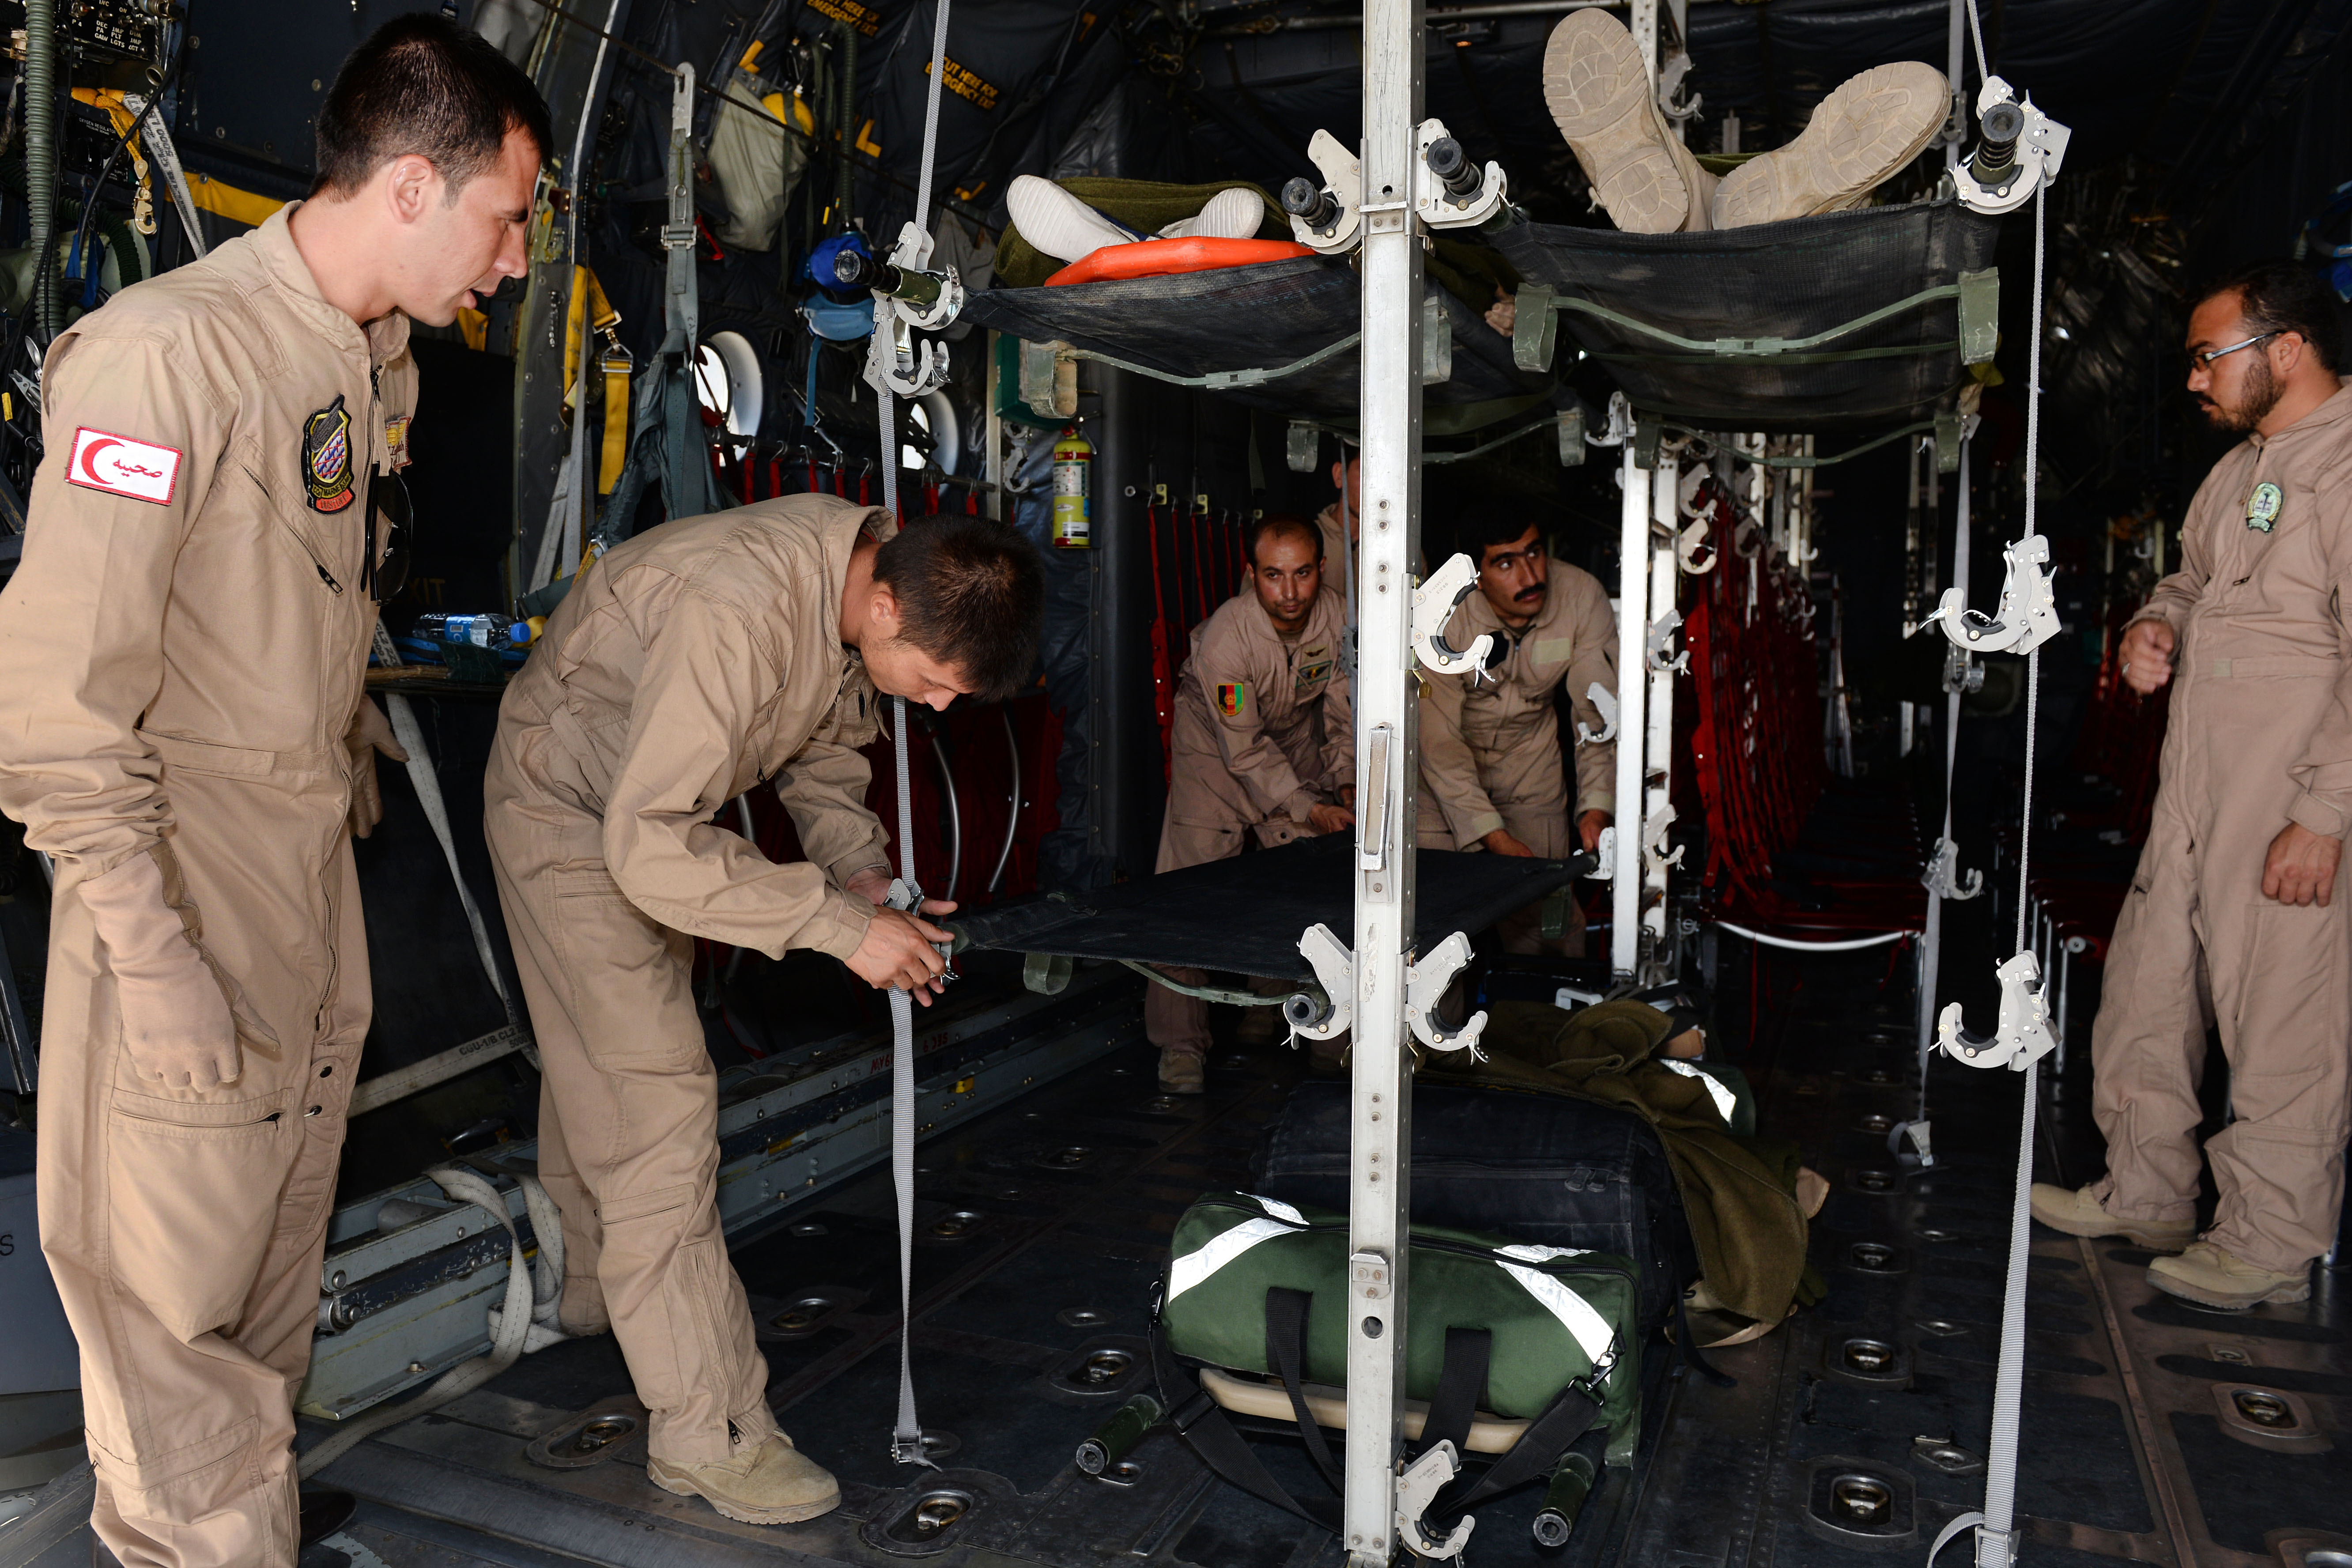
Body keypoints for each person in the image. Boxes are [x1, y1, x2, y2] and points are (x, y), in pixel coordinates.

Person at [0, 18, 542, 1564]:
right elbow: (54, 708)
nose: (515, 260)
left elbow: (285, 589)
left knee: (266, 1262)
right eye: (507, 219)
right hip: (183, 890)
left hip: (300, 873)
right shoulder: (168, 358)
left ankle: (250, 1520)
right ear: (414, 187)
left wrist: (339, 731)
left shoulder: (364, 359)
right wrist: (152, 956)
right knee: (171, 1309)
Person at [482, 497, 1042, 1526]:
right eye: (935, 681)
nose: (938, 706)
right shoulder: (737, 606)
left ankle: (593, 1294)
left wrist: (861, 876)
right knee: (657, 1109)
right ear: (885, 606)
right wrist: (838, 926)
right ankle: (710, 1433)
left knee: (605, 1056)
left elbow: (821, 749)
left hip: (642, 819)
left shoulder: (856, 579)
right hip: (574, 819)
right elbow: (646, 845)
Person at [2030, 261, 2352, 1309]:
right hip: (2194, 788)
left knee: (2285, 1018)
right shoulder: (2237, 472)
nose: (2194, 380)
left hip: (2287, 796)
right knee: (2150, 987)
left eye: (2209, 357)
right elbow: (2189, 581)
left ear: (2286, 350)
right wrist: (2155, 624)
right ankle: (2146, 1190)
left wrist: (2322, 816)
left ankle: (2267, 1241)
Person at [1148, 514, 1355, 1091]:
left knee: (1307, 879)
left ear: (1320, 569)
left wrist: (1344, 784)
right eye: (1272, 575)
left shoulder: (1341, 617)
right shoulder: (1226, 638)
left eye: (1302, 573)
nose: (1289, 592)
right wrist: (1307, 806)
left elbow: (1344, 712)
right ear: (1251, 574)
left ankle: (1299, 1021)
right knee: (1186, 893)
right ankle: (1179, 1046)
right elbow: (1241, 749)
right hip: (1212, 748)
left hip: (1293, 738)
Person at [1544, 9, 1950, 234]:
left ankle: (1679, 189)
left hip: (1694, 281)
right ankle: (1805, 204)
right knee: (1712, 212)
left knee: (1695, 214)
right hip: (1771, 280)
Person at [1418, 516, 1617, 955]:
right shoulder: (1441, 614)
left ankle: (1549, 999)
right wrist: (1493, 835)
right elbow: (1437, 741)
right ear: (1475, 574)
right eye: (1505, 563)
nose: (1530, 576)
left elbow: (1598, 714)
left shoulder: (1580, 595)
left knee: (1549, 918)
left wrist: (1596, 807)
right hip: (1441, 774)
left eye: (1533, 552)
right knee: (1432, 931)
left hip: (1531, 763)